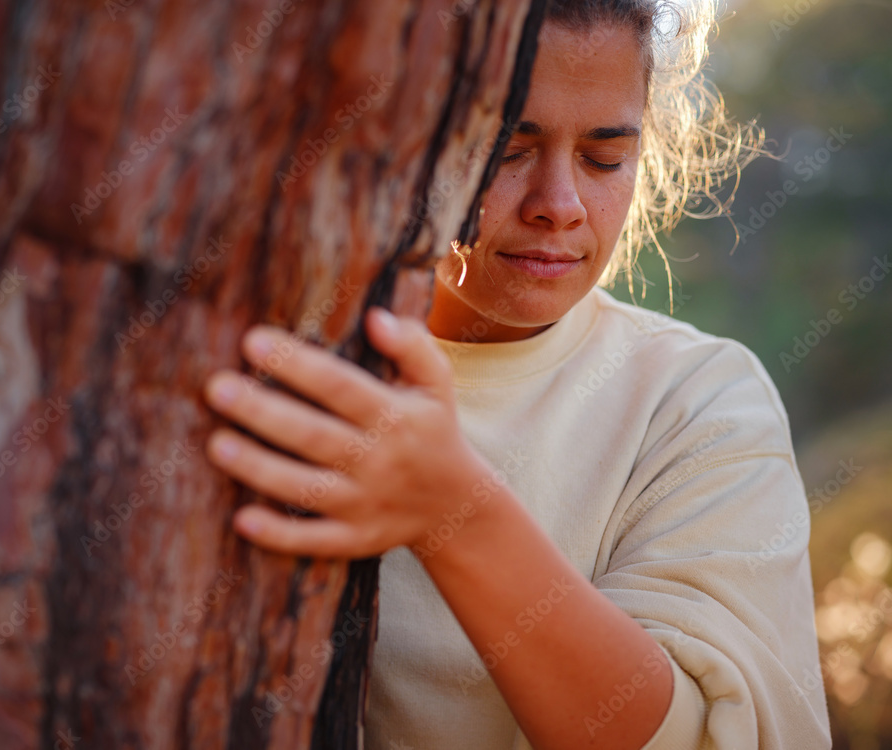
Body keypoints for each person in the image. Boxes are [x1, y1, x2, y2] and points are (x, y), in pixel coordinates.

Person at [202, 1, 832, 747]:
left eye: (604, 159)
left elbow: (720, 733)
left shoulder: (698, 403)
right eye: (504, 147)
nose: (559, 206)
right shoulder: (278, 358)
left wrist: (453, 513)